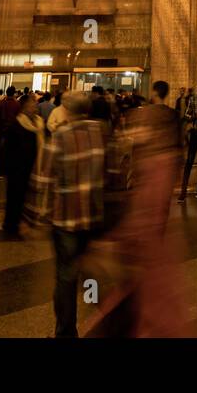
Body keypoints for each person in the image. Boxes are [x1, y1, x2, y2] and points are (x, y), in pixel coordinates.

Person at [89, 81, 188, 337]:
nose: (137, 129)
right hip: (147, 264)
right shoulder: (154, 160)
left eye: (144, 126)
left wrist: (115, 243)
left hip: (145, 264)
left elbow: (147, 215)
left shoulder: (158, 165)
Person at [27, 91, 122, 338]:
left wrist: (35, 217)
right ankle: (110, 319)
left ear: (67, 111)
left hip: (66, 221)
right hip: (95, 218)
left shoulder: (59, 138)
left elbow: (42, 179)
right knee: (93, 272)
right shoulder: (103, 134)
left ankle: (66, 331)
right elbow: (114, 175)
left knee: (66, 278)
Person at [0, 92, 44, 239]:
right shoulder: (16, 124)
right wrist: (4, 167)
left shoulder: (38, 123)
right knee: (15, 198)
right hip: (17, 169)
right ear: (24, 108)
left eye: (35, 104)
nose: (34, 107)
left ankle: (22, 223)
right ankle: (11, 226)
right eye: (31, 105)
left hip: (32, 167)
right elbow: (7, 148)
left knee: (26, 198)